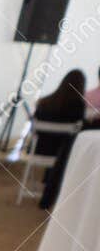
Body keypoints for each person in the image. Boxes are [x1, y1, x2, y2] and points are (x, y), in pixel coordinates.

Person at [35, 72, 95, 209]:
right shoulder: (77, 106)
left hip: (40, 151)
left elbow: (36, 130)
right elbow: (81, 127)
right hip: (62, 156)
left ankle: (47, 182)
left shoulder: (44, 103)